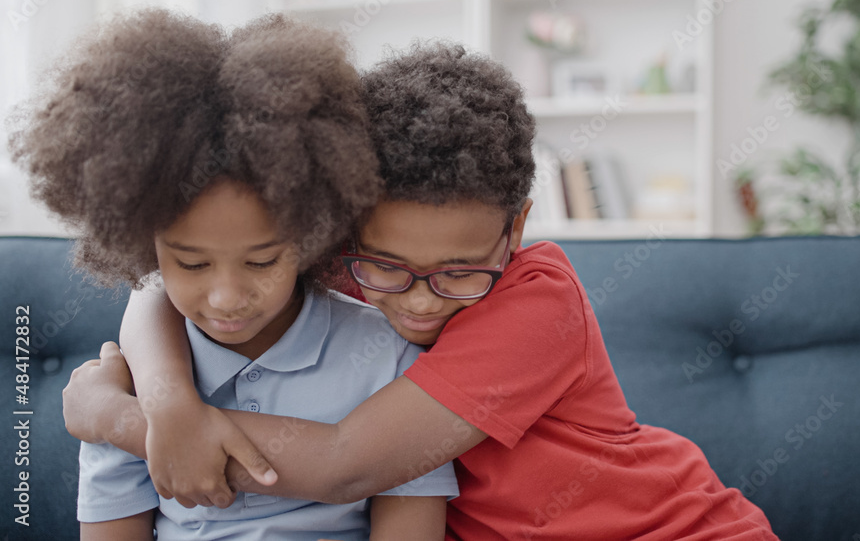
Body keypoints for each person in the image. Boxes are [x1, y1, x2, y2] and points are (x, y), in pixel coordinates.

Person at [62, 42, 778, 539]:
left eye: (459, 271)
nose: (421, 300)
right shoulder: (349, 260)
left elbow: (344, 463)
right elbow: (157, 287)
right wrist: (168, 397)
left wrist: (123, 421)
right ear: (341, 227)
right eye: (389, 268)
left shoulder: (538, 302)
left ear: (516, 228)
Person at [8, 9, 457, 541]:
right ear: (142, 242)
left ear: (315, 232)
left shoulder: (387, 356)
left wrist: (128, 421)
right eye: (192, 263)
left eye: (261, 262)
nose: (226, 297)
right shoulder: (128, 381)